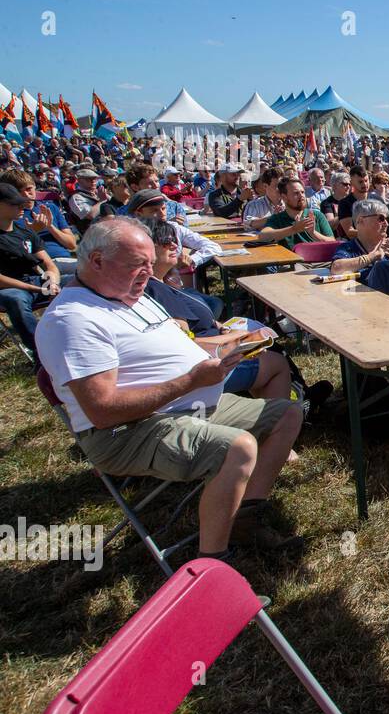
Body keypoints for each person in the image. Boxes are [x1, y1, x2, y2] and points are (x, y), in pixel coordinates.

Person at [33, 217, 303, 560]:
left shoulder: (129, 293)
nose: (148, 272)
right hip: (127, 430)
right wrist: (191, 381)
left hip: (188, 404)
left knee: (287, 412)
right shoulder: (73, 319)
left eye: (149, 263)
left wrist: (227, 350)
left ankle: (247, 516)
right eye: (137, 264)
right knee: (238, 447)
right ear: (97, 261)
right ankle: (213, 564)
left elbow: (180, 347)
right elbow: (102, 411)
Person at [142, 218, 294, 400]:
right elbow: (186, 341)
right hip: (209, 363)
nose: (175, 245)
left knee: (258, 334)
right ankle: (286, 410)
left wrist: (219, 324)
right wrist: (235, 338)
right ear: (147, 249)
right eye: (166, 242)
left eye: (175, 240)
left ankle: (290, 397)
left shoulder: (163, 283)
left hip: (216, 343)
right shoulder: (156, 289)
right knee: (277, 361)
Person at [0, 183, 60, 360]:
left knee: (82, 281)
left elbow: (49, 264)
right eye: (14, 203)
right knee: (16, 299)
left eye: (22, 202)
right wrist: (38, 289)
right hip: (10, 288)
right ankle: (43, 353)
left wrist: (52, 283)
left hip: (38, 282)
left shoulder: (24, 232)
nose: (22, 207)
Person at [2, 169, 78, 275]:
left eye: (29, 189)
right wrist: (33, 232)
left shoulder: (50, 208)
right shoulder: (9, 215)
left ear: (34, 187)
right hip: (37, 265)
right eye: (19, 191)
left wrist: (49, 226)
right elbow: (11, 251)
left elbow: (72, 245)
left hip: (64, 259)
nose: (26, 194)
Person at [330, 198, 389, 279]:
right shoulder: (348, 248)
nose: (386, 224)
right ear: (361, 220)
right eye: (381, 218)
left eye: (388, 219)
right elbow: (336, 268)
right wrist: (372, 256)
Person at [259, 178, 334, 249]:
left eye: (302, 192)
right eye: (296, 193)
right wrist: (294, 229)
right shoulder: (277, 219)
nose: (301, 196)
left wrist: (313, 233)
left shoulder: (317, 215)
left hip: (320, 261)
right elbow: (263, 236)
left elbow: (333, 243)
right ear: (284, 197)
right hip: (292, 261)